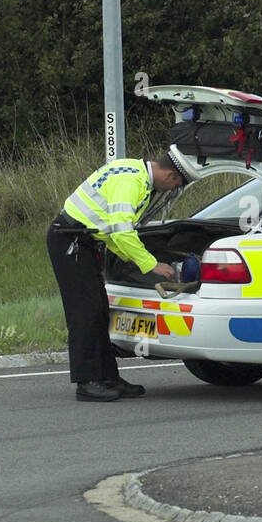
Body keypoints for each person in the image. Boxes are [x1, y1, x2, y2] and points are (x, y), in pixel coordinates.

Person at [47, 152, 187, 401]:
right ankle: (87, 382)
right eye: (176, 185)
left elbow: (113, 230)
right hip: (71, 240)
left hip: (83, 241)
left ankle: (107, 377)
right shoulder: (132, 182)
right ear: (169, 175)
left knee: (99, 310)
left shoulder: (133, 171)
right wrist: (151, 265)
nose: (172, 190)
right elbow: (122, 231)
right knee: (85, 313)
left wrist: (131, 261)